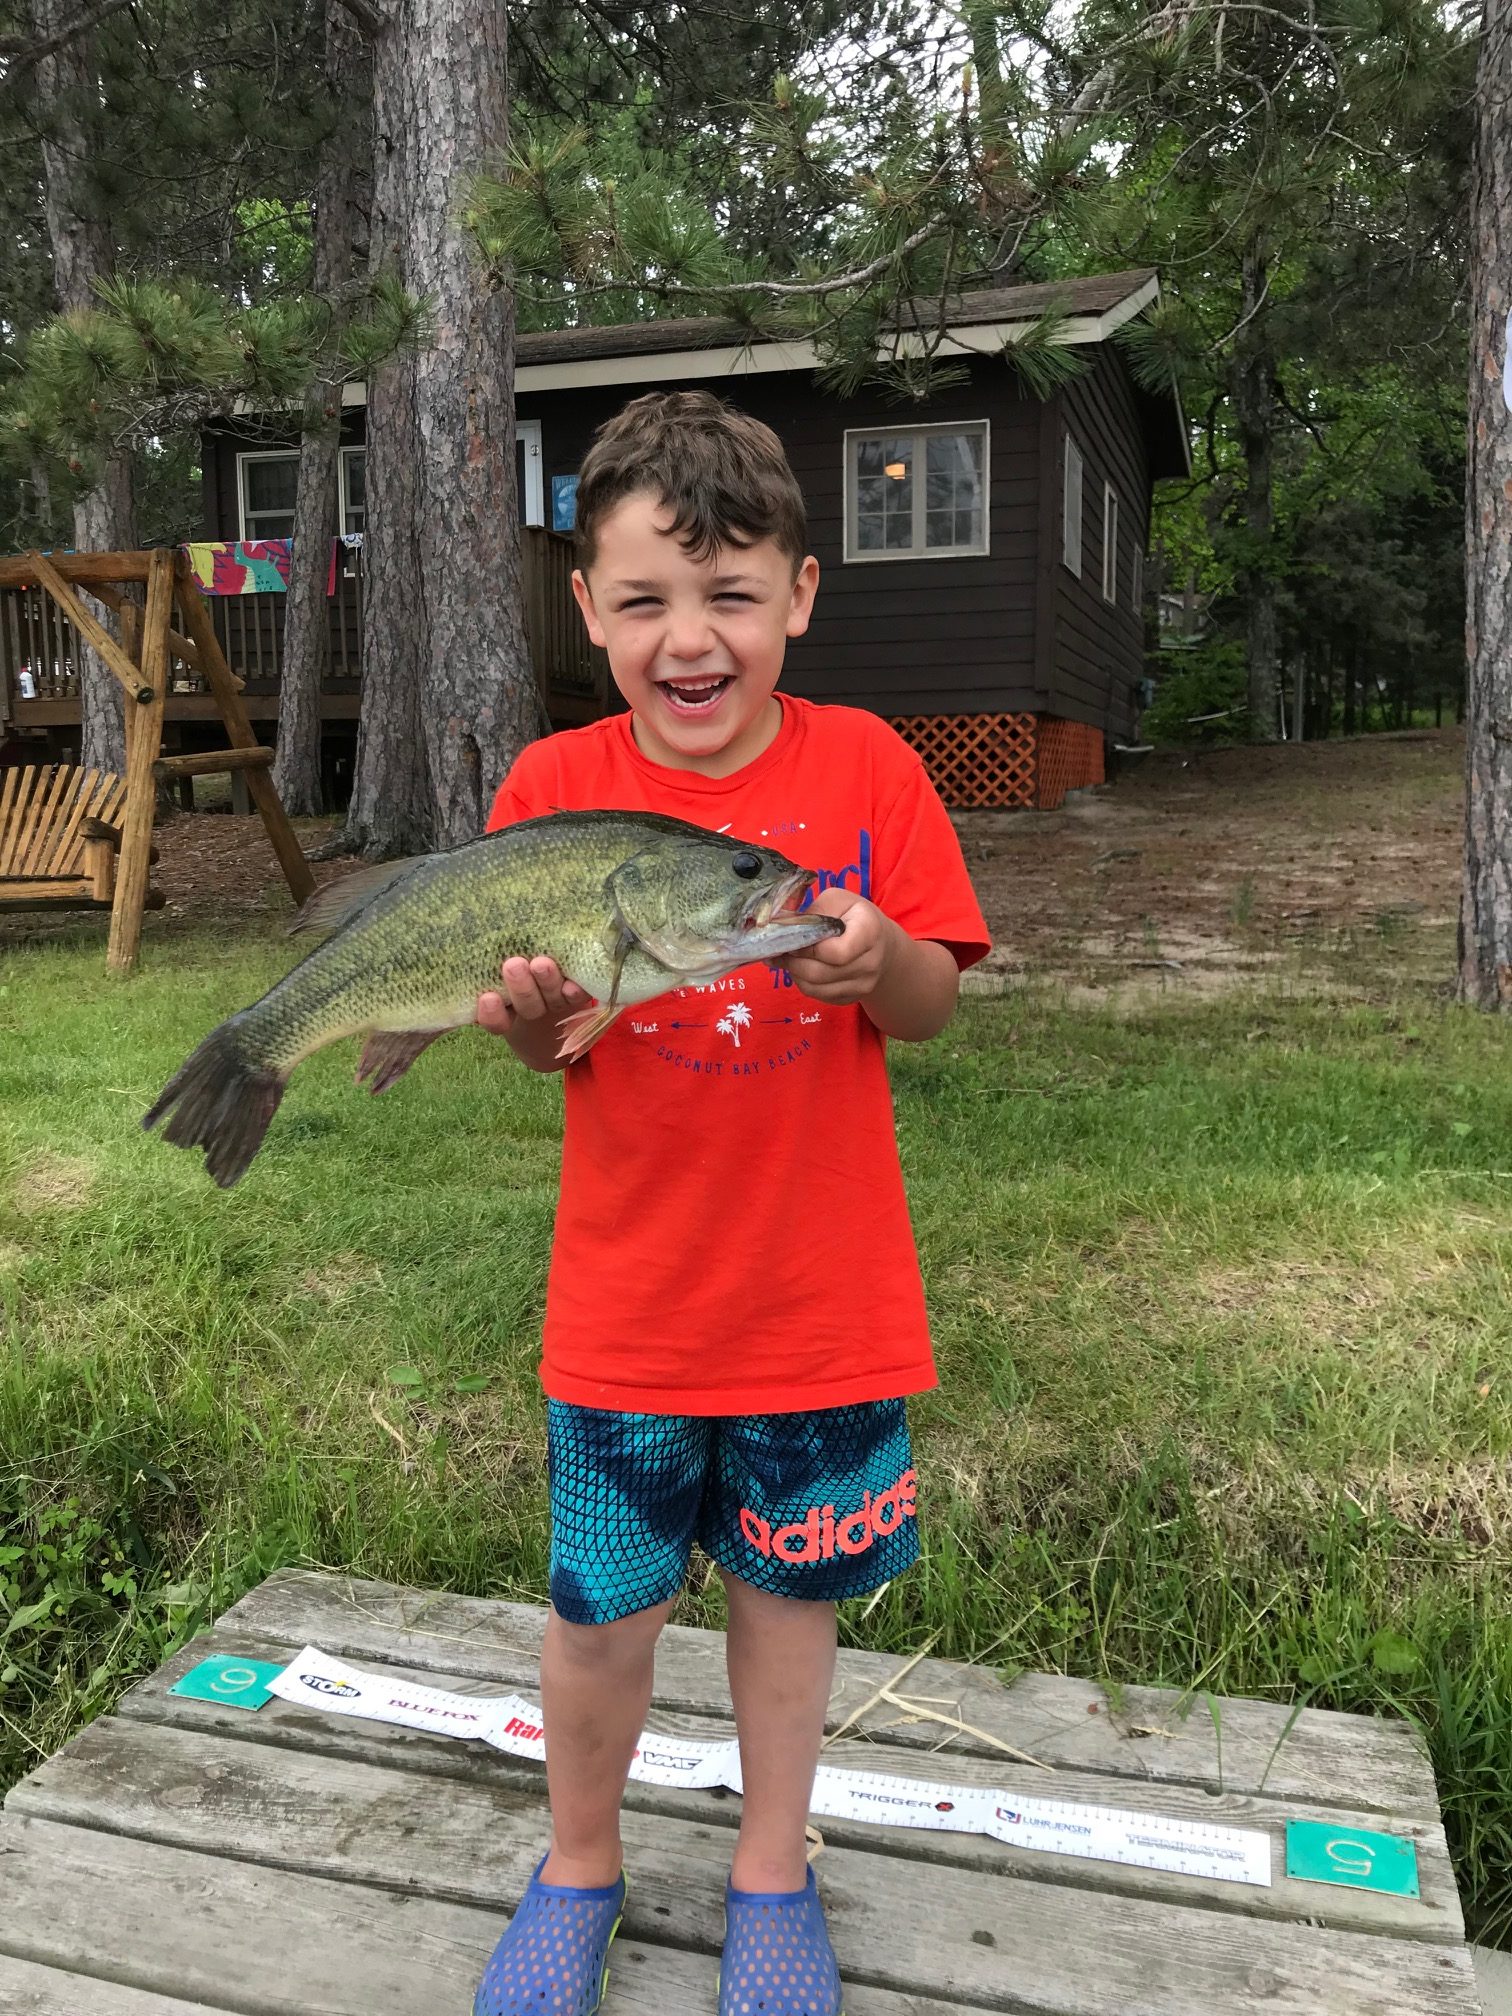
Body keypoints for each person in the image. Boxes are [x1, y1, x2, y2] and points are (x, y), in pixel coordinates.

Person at [471, 389, 990, 2016]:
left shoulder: (870, 769)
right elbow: (554, 1049)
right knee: (599, 1620)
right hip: (627, 1314)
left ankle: (776, 1868)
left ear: (801, 597)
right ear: (588, 611)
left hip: (826, 1310)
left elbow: (933, 1006)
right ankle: (578, 1862)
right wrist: (533, 1020)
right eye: (643, 602)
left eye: (730, 598)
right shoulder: (549, 788)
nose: (689, 640)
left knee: (791, 1611)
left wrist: (876, 958)